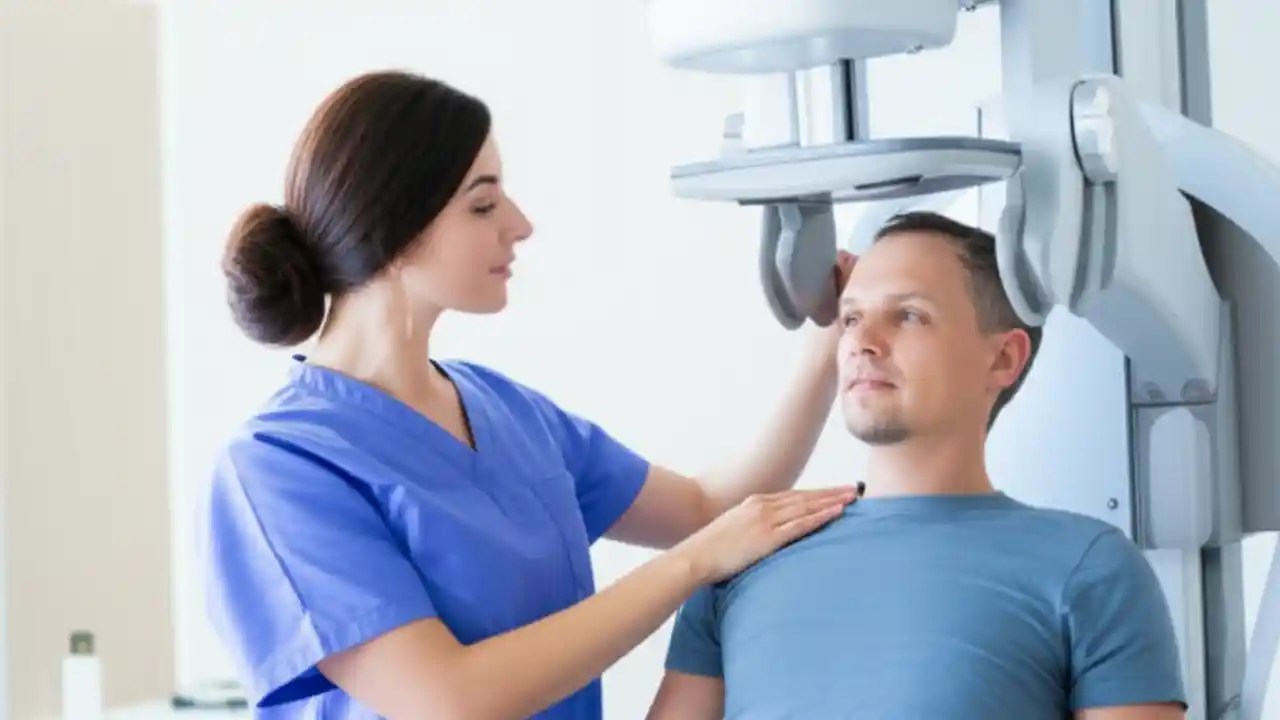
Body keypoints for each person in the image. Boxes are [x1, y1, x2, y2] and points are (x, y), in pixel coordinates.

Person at [198, 69, 860, 720]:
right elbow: (449, 699)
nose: (519, 224)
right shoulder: (279, 465)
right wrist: (694, 565)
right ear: (391, 229)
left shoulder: (508, 413)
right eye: (483, 204)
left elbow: (706, 506)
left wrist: (832, 340)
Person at [646, 211, 1188, 720]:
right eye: (851, 317)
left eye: (908, 315)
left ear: (1003, 358)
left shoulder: (1088, 569)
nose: (862, 341)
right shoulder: (740, 555)